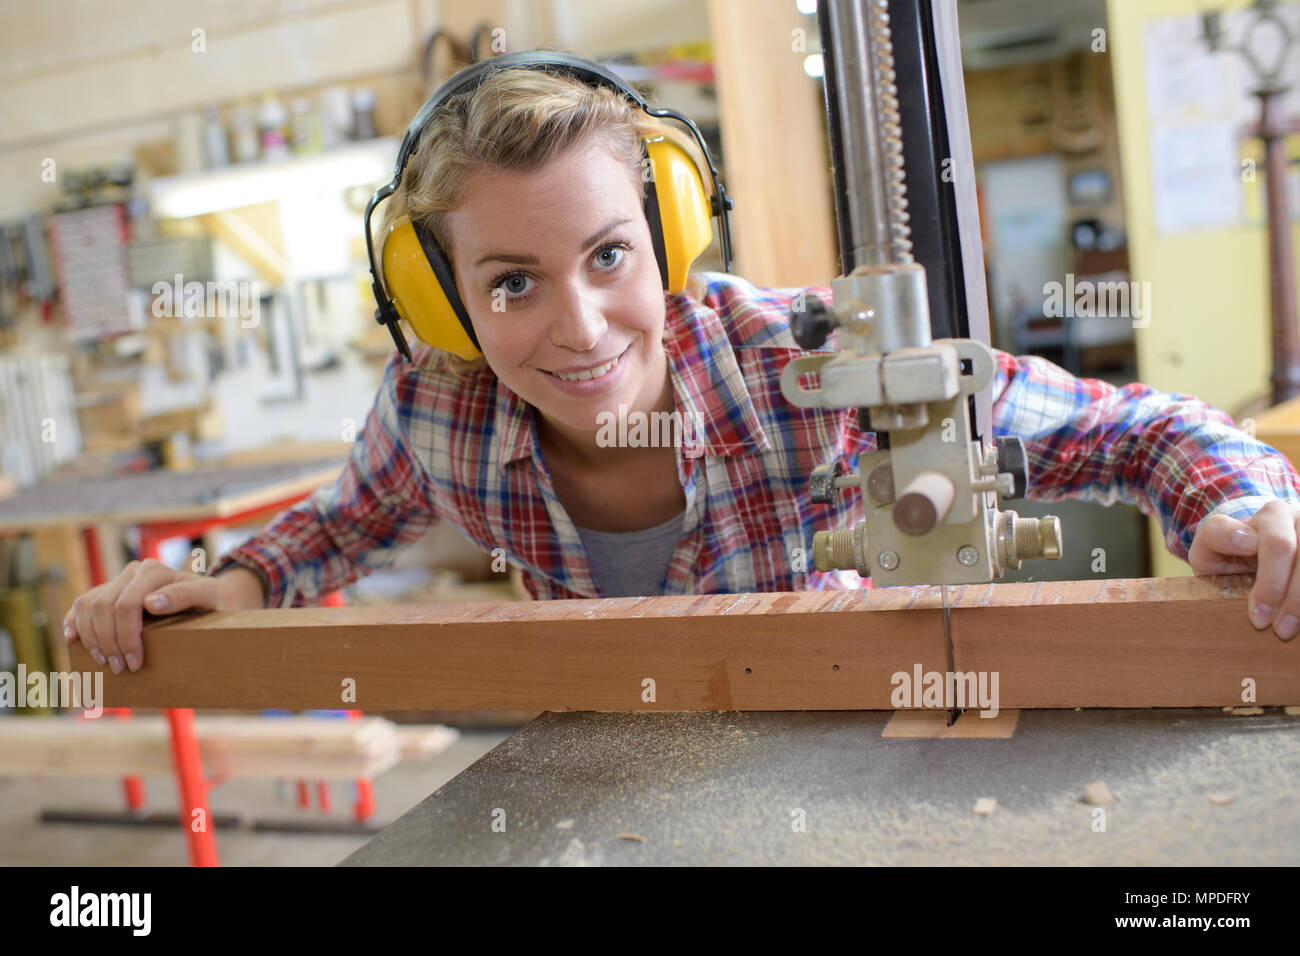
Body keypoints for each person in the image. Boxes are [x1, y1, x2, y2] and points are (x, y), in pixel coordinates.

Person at [63, 55, 1300, 678]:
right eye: (510, 282)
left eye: (609, 254)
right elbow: (333, 527)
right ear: (442, 303)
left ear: (669, 231)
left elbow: (1136, 430)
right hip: (612, 780)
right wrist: (225, 582)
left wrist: (1243, 510)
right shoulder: (435, 414)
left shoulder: (807, 364)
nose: (584, 325)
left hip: (844, 739)